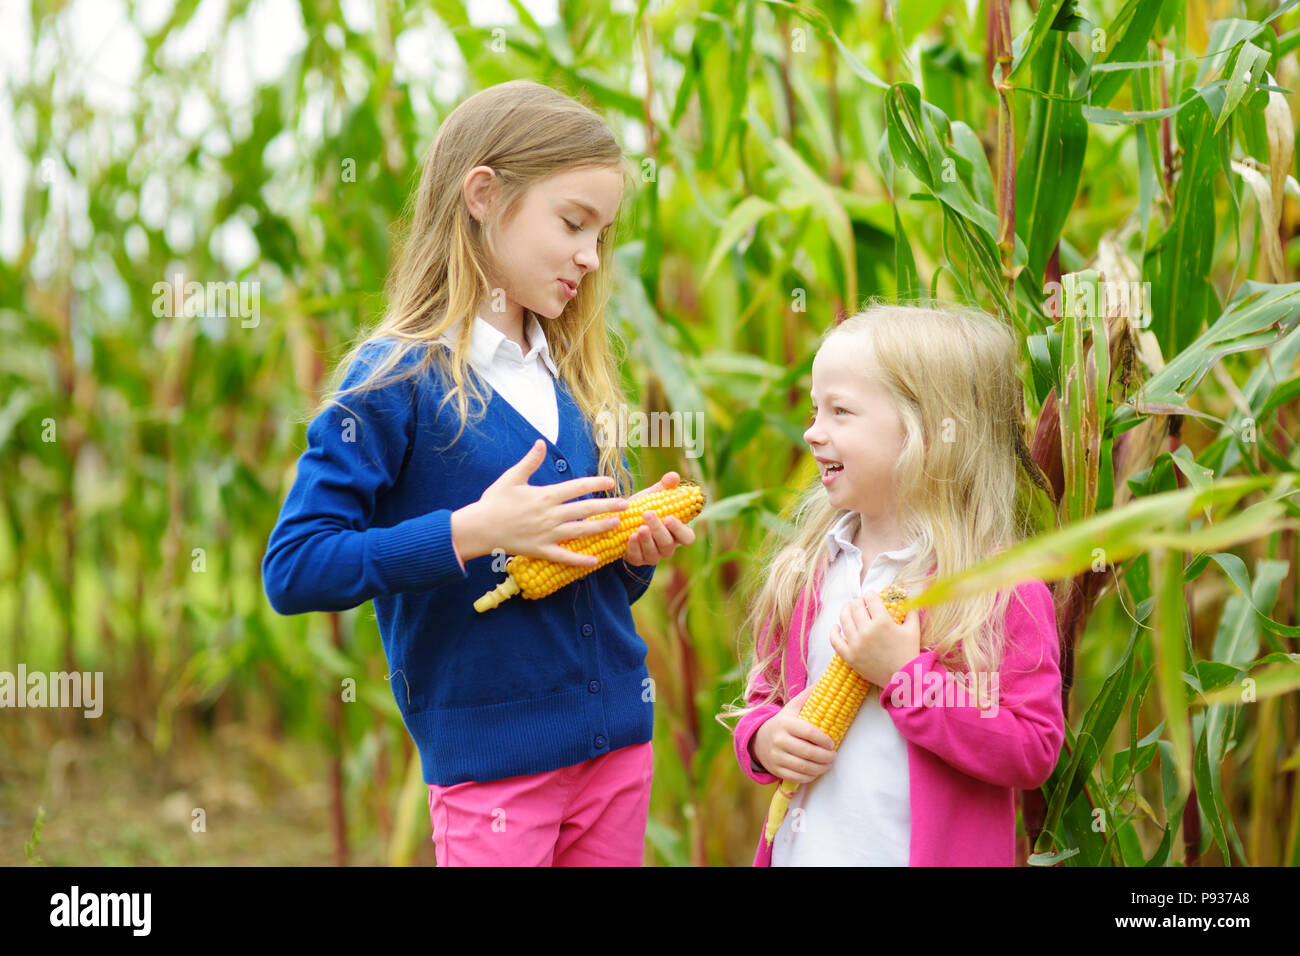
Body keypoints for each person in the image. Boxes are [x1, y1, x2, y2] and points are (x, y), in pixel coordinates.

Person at [262, 80, 695, 866]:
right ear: (485, 195)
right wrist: (473, 532)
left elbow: (577, 586)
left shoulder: (578, 383)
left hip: (618, 756)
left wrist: (628, 555)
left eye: (601, 234)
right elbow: (294, 569)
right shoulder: (393, 380)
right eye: (573, 223)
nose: (591, 257)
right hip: (495, 778)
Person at [720, 302, 1064, 866]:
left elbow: (1032, 750)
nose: (812, 432)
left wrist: (907, 681)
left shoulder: (996, 591)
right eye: (813, 410)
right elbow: (766, 700)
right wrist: (762, 740)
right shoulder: (805, 574)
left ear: (928, 429)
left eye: (840, 412)